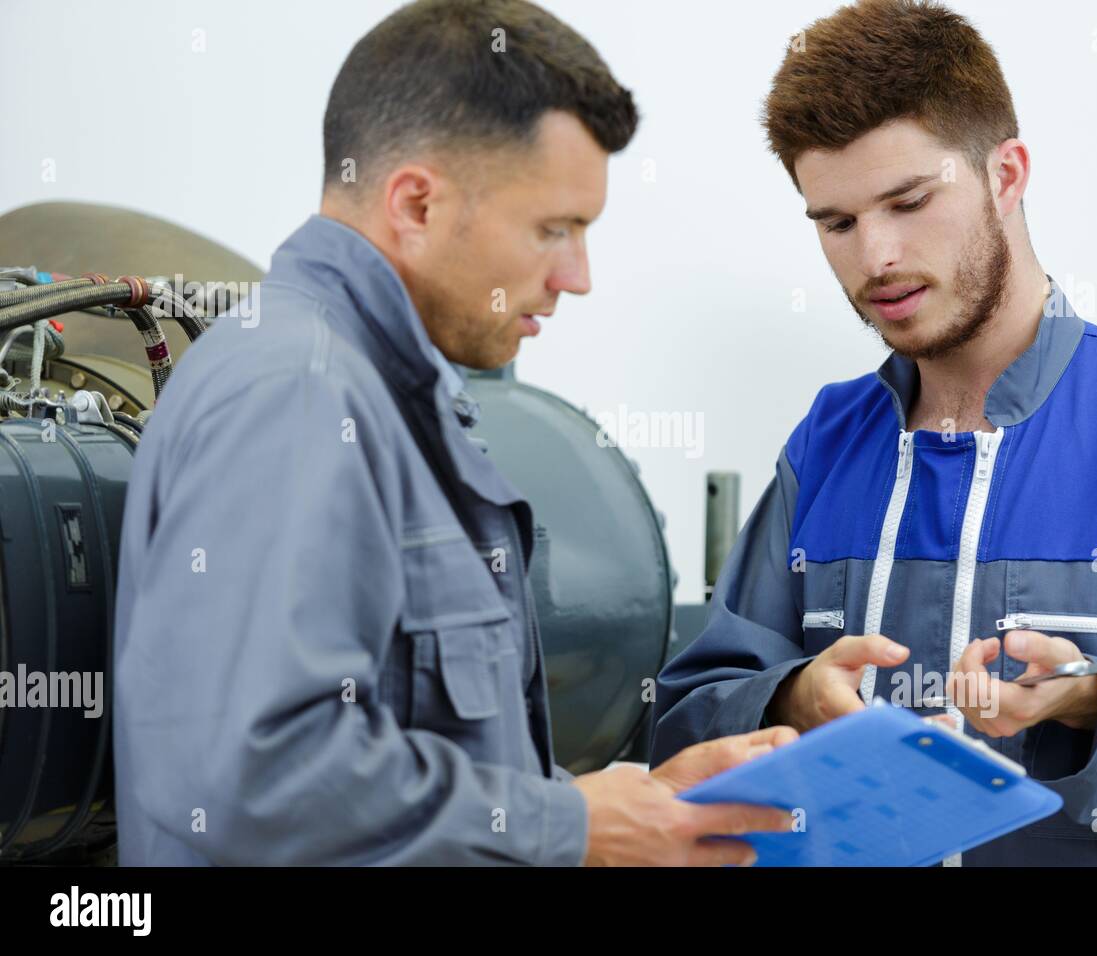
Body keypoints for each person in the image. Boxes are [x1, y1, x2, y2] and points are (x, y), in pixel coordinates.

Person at [112, 0, 796, 866]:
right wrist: (574, 827)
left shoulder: (380, 395)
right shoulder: (298, 395)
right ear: (416, 204)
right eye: (555, 229)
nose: (576, 277)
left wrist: (630, 805)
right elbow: (256, 783)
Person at [651, 0, 1097, 866]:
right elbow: (682, 722)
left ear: (1007, 173)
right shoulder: (825, 443)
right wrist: (789, 699)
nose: (874, 256)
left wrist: (1096, 701)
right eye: (836, 223)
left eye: (909, 201)